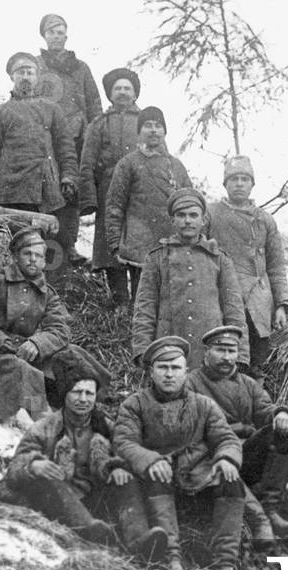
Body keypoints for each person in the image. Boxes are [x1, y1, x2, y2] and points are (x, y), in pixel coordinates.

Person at [1, 353, 168, 561]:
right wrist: (34, 466)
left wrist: (117, 467)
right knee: (52, 478)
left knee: (126, 479)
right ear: (65, 395)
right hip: (57, 501)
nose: (83, 399)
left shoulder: (106, 426)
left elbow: (125, 452)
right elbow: (16, 465)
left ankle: (139, 541)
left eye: (89, 393)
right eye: (76, 392)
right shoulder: (44, 428)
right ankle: (89, 531)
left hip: (94, 499)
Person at [113, 336, 245, 570]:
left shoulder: (204, 405)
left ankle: (225, 561)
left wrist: (227, 458)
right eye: (163, 368)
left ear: (186, 371)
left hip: (197, 476)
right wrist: (149, 459)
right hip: (158, 480)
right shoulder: (134, 405)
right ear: (151, 372)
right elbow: (124, 441)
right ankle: (172, 555)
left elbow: (226, 438)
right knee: (157, 474)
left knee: (231, 482)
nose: (169, 374)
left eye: (175, 368)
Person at [0, 228, 109, 425]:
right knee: (23, 371)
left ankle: (99, 399)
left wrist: (37, 344)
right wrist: (0, 341)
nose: (33, 260)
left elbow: (60, 329)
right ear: (15, 256)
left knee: (72, 354)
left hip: (27, 349)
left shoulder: (47, 293)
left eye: (38, 256)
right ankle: (41, 418)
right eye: (27, 254)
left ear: (44, 262)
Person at [187, 326, 288, 545]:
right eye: (220, 350)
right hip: (213, 458)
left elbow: (266, 410)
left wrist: (282, 413)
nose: (227, 357)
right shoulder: (191, 383)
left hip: (246, 455)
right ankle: (256, 521)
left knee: (284, 434)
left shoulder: (248, 384)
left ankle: (271, 508)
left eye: (232, 351)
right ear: (206, 352)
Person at [131, 188, 248, 369]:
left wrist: (240, 355)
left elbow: (234, 311)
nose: (187, 221)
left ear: (203, 220)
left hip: (210, 354)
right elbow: (145, 308)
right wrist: (142, 349)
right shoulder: (156, 258)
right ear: (172, 220)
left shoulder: (220, 259)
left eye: (193, 215)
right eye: (181, 215)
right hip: (168, 350)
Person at [0, 51, 80, 254]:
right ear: (12, 76)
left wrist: (68, 176)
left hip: (47, 190)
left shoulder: (52, 110)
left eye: (30, 72)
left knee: (50, 251)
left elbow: (65, 148)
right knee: (18, 248)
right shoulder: (0, 113)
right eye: (20, 72)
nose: (25, 77)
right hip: (13, 191)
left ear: (37, 76)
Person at [207, 156, 288, 371]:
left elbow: (276, 266)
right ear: (225, 183)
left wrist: (281, 305)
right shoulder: (211, 215)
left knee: (259, 359)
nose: (239, 184)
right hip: (223, 295)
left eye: (245, 179)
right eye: (234, 179)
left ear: (252, 184)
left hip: (259, 299)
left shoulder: (265, 220)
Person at [34, 13, 103, 265]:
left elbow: (94, 102)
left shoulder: (81, 67)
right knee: (48, 187)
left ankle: (69, 244)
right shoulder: (37, 65)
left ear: (67, 35)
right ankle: (42, 244)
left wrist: (95, 132)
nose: (56, 36)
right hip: (47, 138)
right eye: (51, 31)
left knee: (72, 191)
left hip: (76, 138)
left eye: (60, 31)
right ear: (44, 35)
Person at [104, 106, 192, 301]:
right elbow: (115, 206)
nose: (153, 130)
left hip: (173, 244)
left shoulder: (176, 166)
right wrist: (114, 244)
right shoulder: (128, 164)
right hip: (139, 247)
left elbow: (191, 204)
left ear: (164, 132)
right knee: (143, 303)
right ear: (139, 131)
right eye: (148, 125)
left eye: (158, 126)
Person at [78, 67, 142, 305]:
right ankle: (120, 301)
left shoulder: (146, 122)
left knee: (139, 243)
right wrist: (89, 199)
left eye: (127, 88)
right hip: (108, 191)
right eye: (118, 88)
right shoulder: (99, 123)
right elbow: (87, 162)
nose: (123, 92)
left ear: (135, 93)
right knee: (109, 245)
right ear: (110, 94)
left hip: (139, 192)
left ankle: (139, 303)